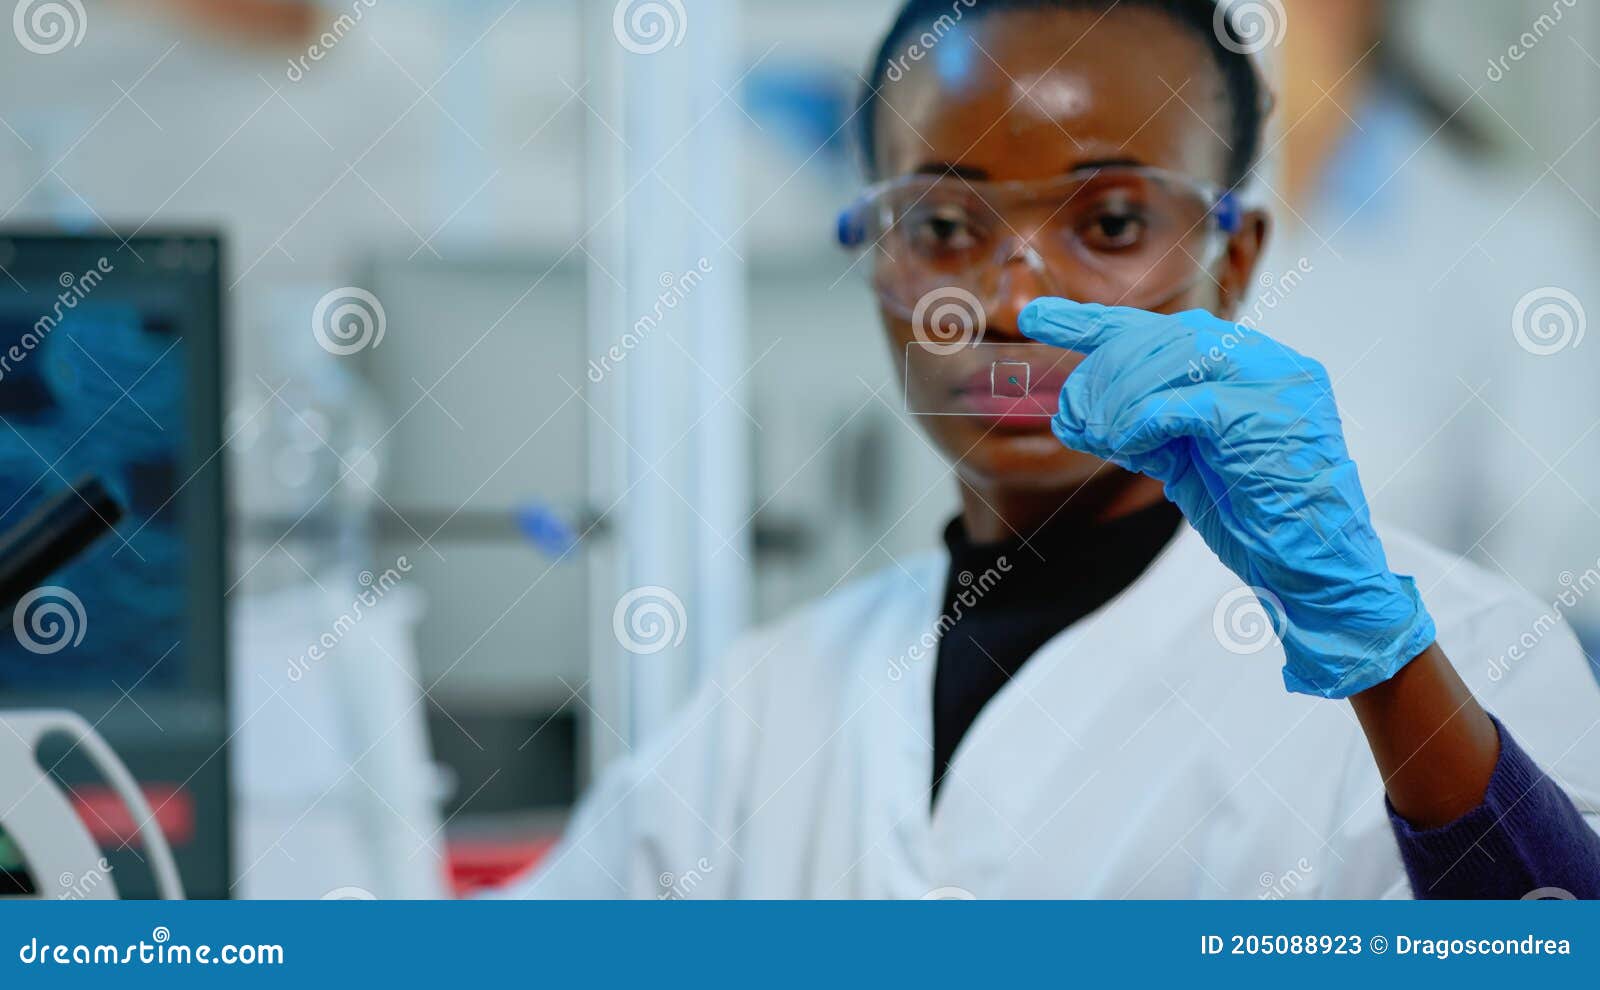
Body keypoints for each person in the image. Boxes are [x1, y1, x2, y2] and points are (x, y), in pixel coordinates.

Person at [505, 0, 1600, 899]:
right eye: (942, 225)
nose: (1012, 299)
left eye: (1111, 223)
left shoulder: (1471, 655)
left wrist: (1383, 662)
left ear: (1236, 259)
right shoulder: (765, 708)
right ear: (872, 254)